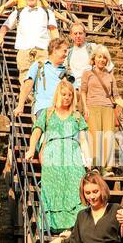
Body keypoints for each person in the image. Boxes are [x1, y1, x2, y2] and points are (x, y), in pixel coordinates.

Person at [27, 79, 92, 233]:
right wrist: (31, 149)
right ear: (58, 94)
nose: (67, 98)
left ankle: (75, 226)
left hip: (72, 155)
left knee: (76, 186)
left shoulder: (77, 116)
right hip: (52, 154)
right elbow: (36, 132)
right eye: (63, 94)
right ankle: (52, 227)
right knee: (53, 188)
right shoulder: (48, 113)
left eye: (69, 95)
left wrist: (88, 158)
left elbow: (83, 139)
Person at [80, 45, 123, 173]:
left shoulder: (110, 76)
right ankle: (95, 166)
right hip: (92, 106)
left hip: (107, 108)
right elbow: (83, 92)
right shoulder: (87, 74)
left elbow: (116, 96)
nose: (102, 60)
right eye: (99, 57)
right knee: (94, 136)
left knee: (108, 137)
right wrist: (85, 107)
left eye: (104, 58)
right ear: (94, 58)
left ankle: (107, 168)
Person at [0, 0, 59, 77]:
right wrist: (1, 37)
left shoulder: (47, 12)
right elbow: (5, 26)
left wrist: (56, 48)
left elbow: (53, 30)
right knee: (25, 81)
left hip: (42, 51)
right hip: (24, 51)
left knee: (43, 81)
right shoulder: (18, 12)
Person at [15, 36, 69, 117]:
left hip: (63, 111)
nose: (66, 55)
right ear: (55, 50)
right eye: (64, 51)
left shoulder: (67, 72)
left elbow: (76, 94)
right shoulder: (38, 65)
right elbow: (27, 85)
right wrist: (20, 105)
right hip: (44, 109)